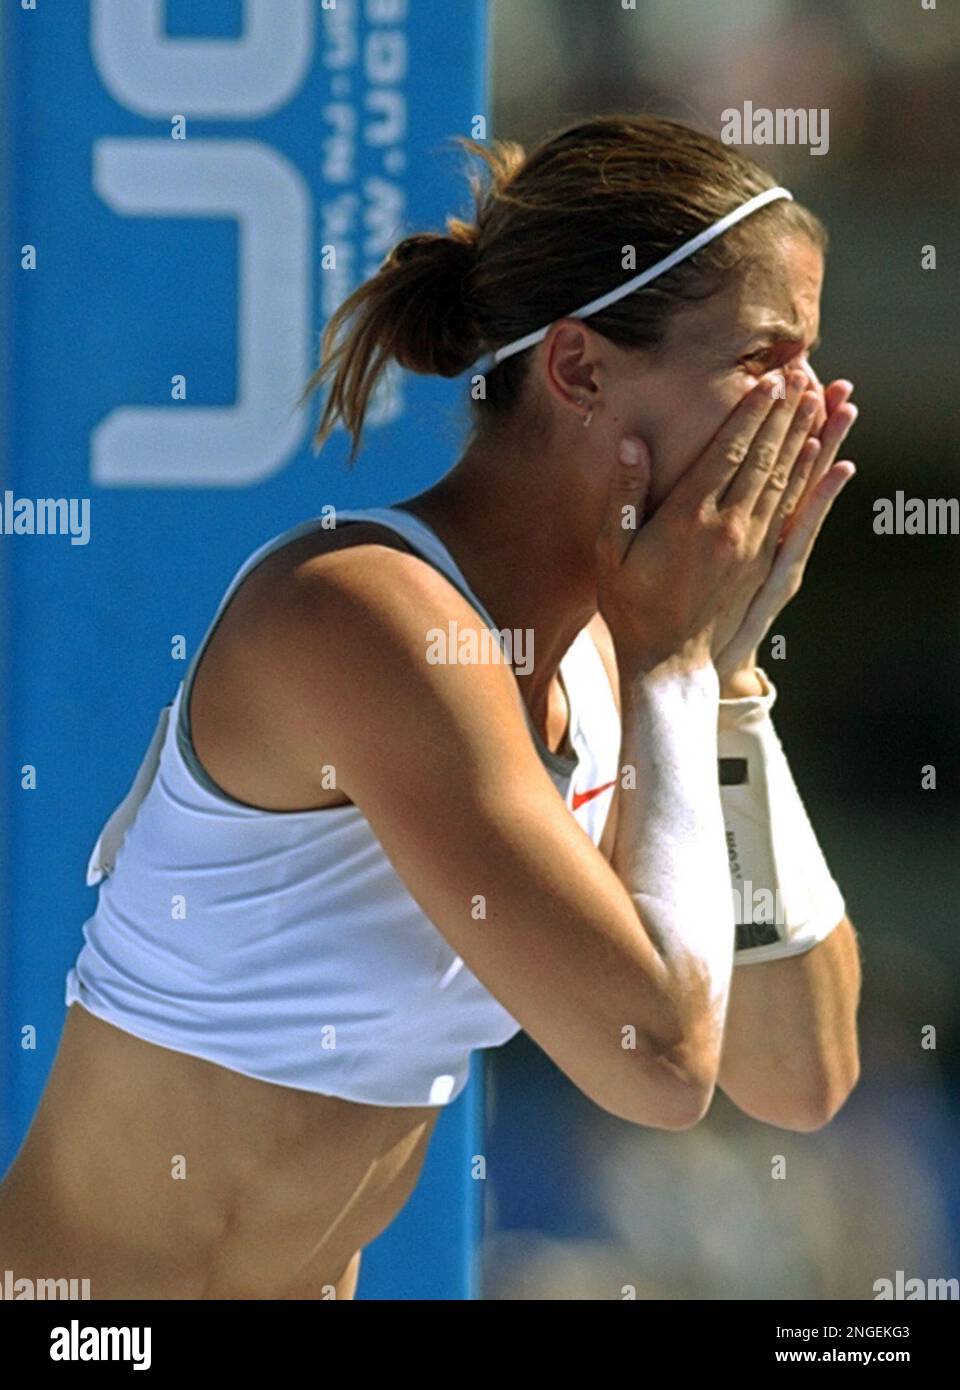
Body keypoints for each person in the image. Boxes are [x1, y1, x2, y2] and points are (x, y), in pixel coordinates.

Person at [0, 114, 862, 1300]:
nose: (810, 408)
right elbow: (657, 1063)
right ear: (578, 370)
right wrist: (674, 665)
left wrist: (729, 687)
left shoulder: (621, 663)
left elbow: (798, 1070)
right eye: (767, 357)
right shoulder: (366, 615)